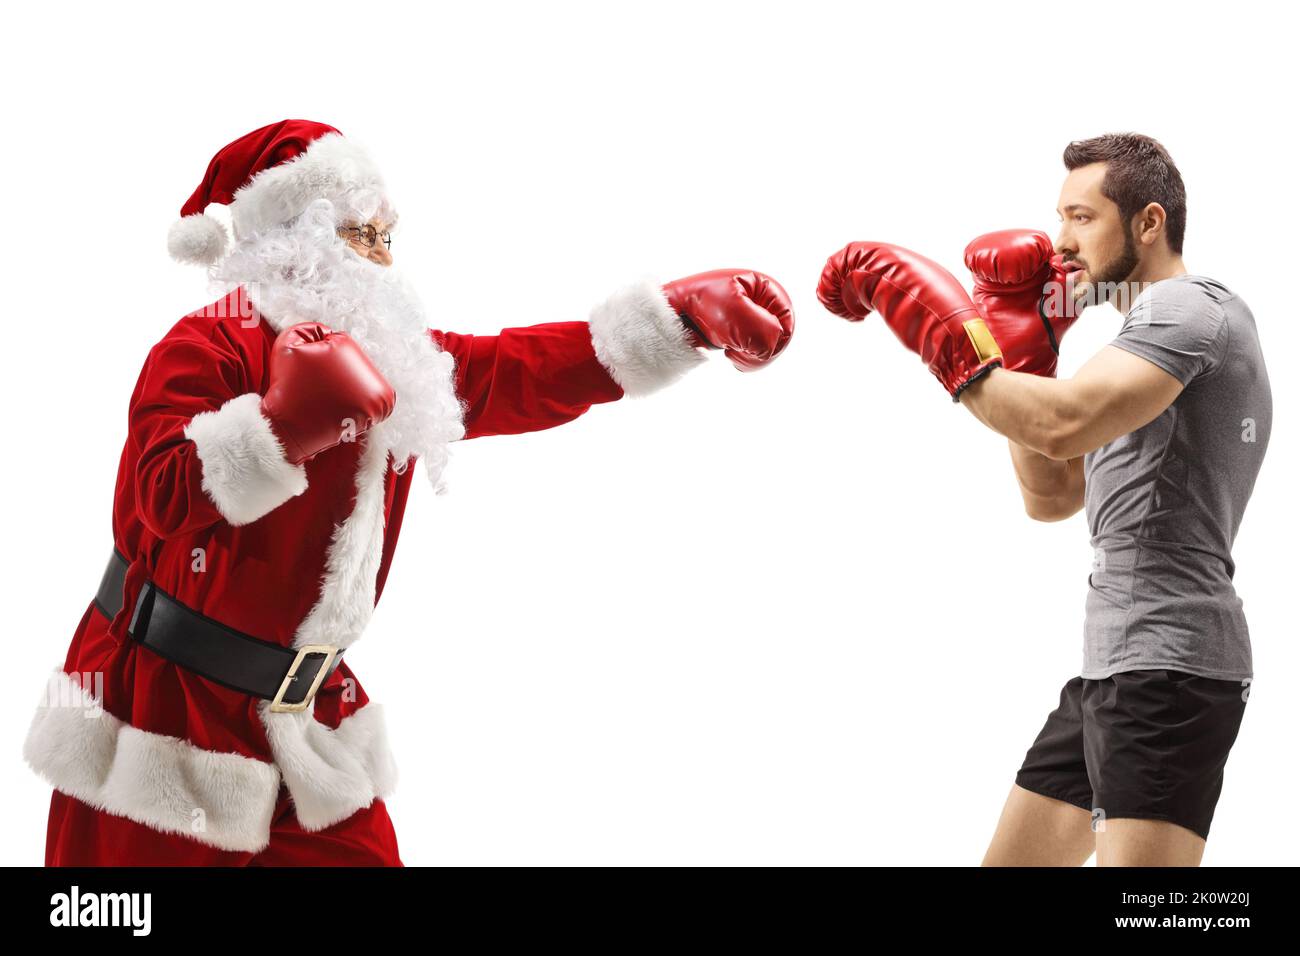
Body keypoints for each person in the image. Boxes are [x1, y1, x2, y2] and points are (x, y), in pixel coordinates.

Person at [24, 119, 795, 866]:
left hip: (306, 716)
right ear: (298, 235)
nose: (383, 256)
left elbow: (515, 371)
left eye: (385, 236)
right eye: (363, 232)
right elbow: (147, 501)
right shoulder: (210, 341)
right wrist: (281, 424)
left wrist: (679, 322)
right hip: (163, 712)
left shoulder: (394, 358)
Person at [817, 133, 1271, 866]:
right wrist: (1027, 355)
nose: (1061, 240)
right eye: (1059, 217)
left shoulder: (1187, 312)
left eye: (1082, 217)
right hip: (1112, 665)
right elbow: (1052, 493)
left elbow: (1059, 423)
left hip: (1171, 668)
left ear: (1148, 224)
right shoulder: (1136, 347)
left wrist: (951, 347)